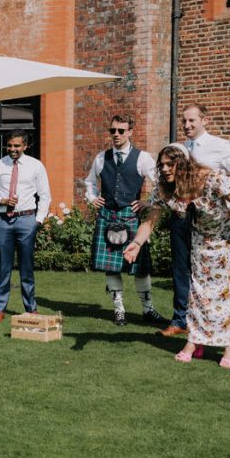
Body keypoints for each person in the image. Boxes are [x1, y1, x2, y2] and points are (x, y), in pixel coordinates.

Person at [125, 144, 230, 369]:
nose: (165, 169)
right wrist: (136, 243)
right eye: (162, 165)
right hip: (201, 243)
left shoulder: (211, 179)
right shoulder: (166, 189)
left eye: (170, 164)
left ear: (183, 164)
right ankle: (195, 341)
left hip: (229, 240)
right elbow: (150, 221)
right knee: (199, 293)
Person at [162, 104, 230, 337]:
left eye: (192, 121)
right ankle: (180, 319)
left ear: (205, 120)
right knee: (181, 268)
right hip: (182, 216)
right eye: (184, 121)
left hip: (211, 221)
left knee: (206, 273)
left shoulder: (220, 146)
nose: (186, 125)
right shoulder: (181, 149)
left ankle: (213, 321)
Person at [84, 114, 164, 326]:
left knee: (140, 267)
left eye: (121, 131)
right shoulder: (102, 158)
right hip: (107, 216)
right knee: (111, 267)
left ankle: (148, 310)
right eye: (113, 131)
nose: (116, 135)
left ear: (130, 132)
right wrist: (92, 198)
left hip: (131, 218)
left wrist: (148, 202)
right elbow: (90, 182)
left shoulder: (143, 158)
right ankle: (119, 309)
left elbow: (160, 183)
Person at [0, 129, 51, 323]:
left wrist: (38, 221)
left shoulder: (36, 166)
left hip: (26, 220)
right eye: (10, 145)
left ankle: (31, 308)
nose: (12, 149)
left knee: (26, 267)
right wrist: (1, 200)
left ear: (25, 146)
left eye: (17, 146)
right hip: (3, 221)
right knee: (3, 267)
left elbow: (45, 195)